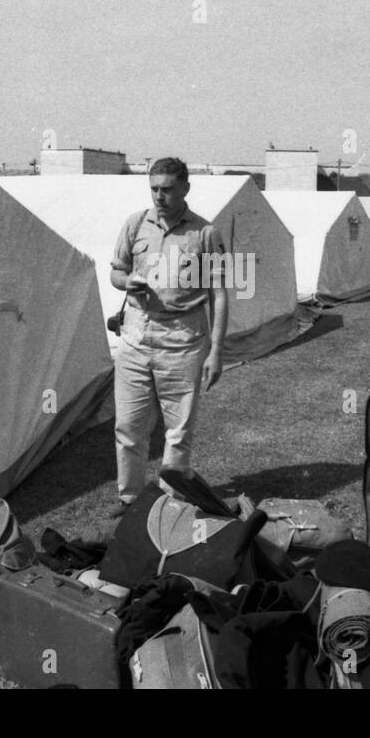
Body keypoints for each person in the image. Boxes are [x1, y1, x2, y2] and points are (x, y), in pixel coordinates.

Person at [108, 157, 229, 516]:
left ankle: (169, 501)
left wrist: (217, 350)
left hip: (184, 338)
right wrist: (127, 282)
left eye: (167, 189)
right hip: (135, 334)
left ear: (185, 188)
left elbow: (221, 293)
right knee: (129, 425)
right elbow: (116, 272)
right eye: (154, 189)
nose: (159, 196)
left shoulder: (207, 233)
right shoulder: (134, 224)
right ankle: (129, 498)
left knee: (178, 430)